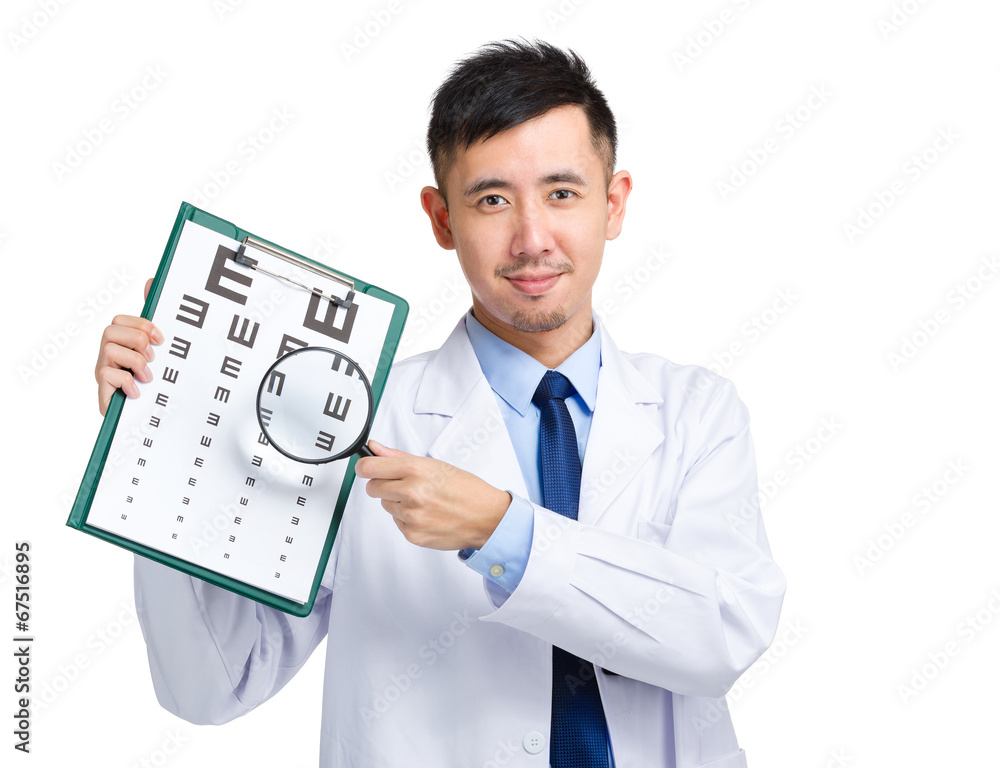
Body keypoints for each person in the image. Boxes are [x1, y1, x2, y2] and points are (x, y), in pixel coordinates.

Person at [95, 39, 785, 768]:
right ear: (440, 217)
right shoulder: (353, 417)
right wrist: (160, 431)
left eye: (562, 193)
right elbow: (210, 686)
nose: (531, 238)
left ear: (612, 204)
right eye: (492, 199)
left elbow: (721, 635)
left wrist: (502, 532)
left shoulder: (695, 414)